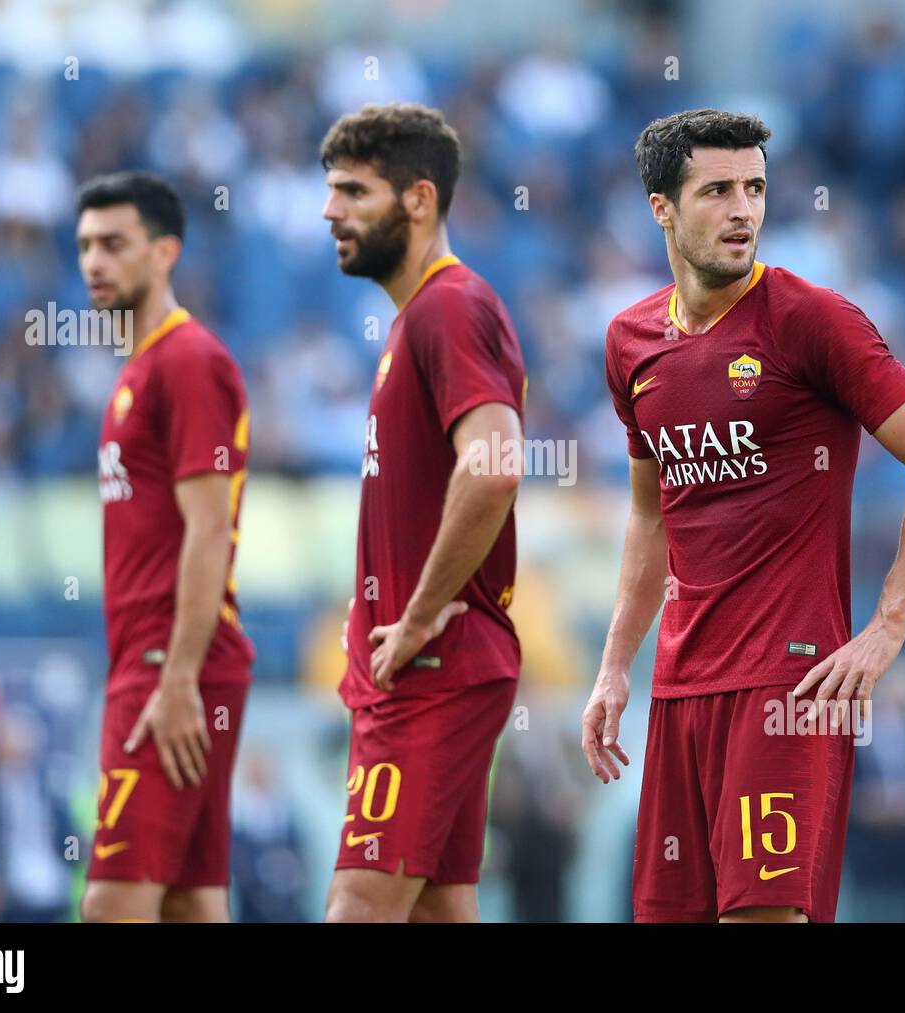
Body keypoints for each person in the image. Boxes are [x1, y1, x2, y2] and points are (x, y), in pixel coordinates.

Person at [582, 109, 905, 923]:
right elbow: (653, 517)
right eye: (718, 190)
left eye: (756, 188)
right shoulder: (629, 341)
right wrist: (618, 662)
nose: (744, 211)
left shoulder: (811, 319)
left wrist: (887, 625)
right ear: (661, 206)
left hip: (788, 680)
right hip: (682, 684)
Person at [320, 103, 526, 922]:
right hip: (436, 664)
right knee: (441, 908)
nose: (330, 211)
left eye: (351, 191)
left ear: (417, 199)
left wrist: (415, 615)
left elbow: (496, 466)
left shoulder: (448, 307)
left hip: (432, 667)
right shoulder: (416, 321)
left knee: (358, 909)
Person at [76, 171, 254, 923]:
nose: (93, 262)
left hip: (171, 667)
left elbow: (210, 526)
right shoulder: (139, 369)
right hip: (165, 663)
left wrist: (175, 675)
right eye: (84, 245)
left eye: (114, 244)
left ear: (164, 252)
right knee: (187, 903)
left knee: (111, 906)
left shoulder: (185, 360)